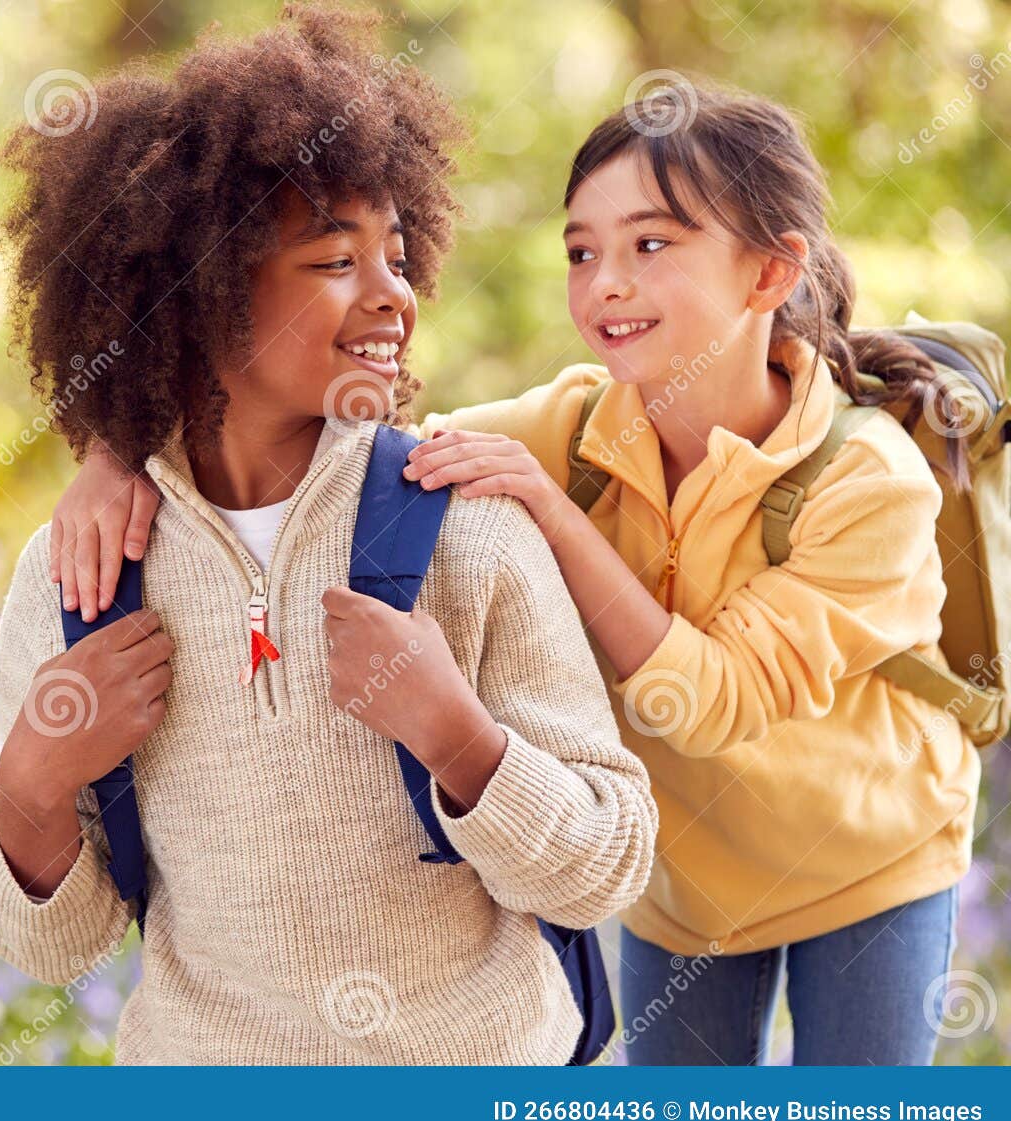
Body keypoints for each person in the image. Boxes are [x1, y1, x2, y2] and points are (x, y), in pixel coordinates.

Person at [53, 81, 979, 1065]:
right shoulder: (575, 426)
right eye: (582, 252)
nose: (605, 283)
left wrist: (549, 511)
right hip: (685, 887)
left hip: (867, 861)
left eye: (650, 244)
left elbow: (707, 700)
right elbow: (348, 432)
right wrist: (120, 446)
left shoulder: (867, 476)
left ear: (769, 271)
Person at [0, 3, 656, 1065]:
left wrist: (461, 741)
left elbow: (606, 864)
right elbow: (52, 947)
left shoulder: (466, 525)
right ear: (198, 296)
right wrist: (32, 783)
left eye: (397, 253)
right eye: (335, 262)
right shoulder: (86, 569)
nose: (396, 296)